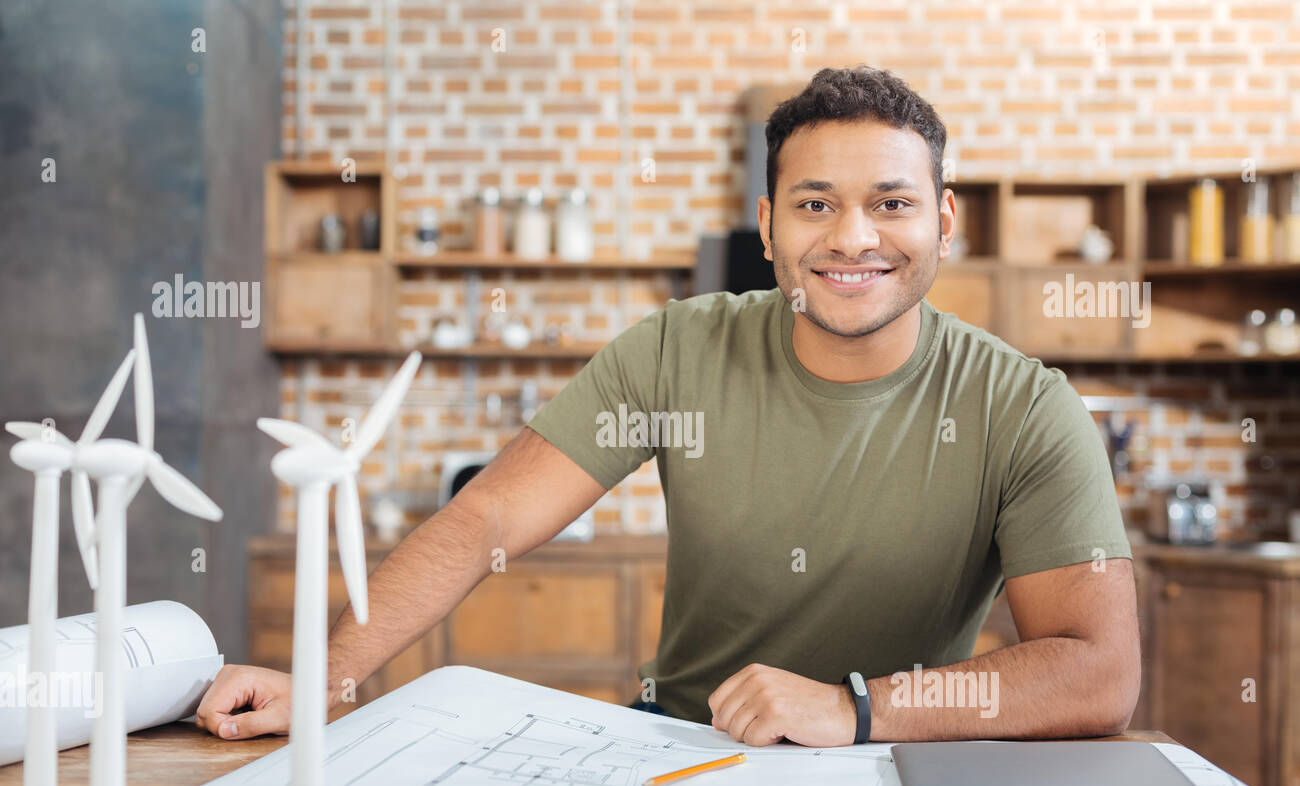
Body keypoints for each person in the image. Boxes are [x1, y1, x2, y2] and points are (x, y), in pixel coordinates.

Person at [198, 65, 1139, 749]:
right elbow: (489, 511)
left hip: (898, 763)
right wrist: (322, 679)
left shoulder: (1025, 408)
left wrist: (853, 707)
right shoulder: (679, 348)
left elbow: (1100, 671)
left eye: (891, 203)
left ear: (942, 221)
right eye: (815, 205)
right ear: (769, 227)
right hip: (687, 751)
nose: (854, 237)